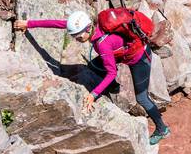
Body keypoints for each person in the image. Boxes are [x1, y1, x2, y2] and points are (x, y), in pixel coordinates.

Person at [14, 8, 170, 145]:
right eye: (74, 35)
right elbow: (61, 24)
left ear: (87, 29)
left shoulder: (102, 44)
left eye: (77, 35)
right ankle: (112, 86)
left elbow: (111, 72)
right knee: (93, 66)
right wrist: (29, 24)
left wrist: (93, 95)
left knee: (142, 98)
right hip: (123, 52)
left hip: (139, 58)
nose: (75, 38)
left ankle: (162, 129)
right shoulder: (94, 27)